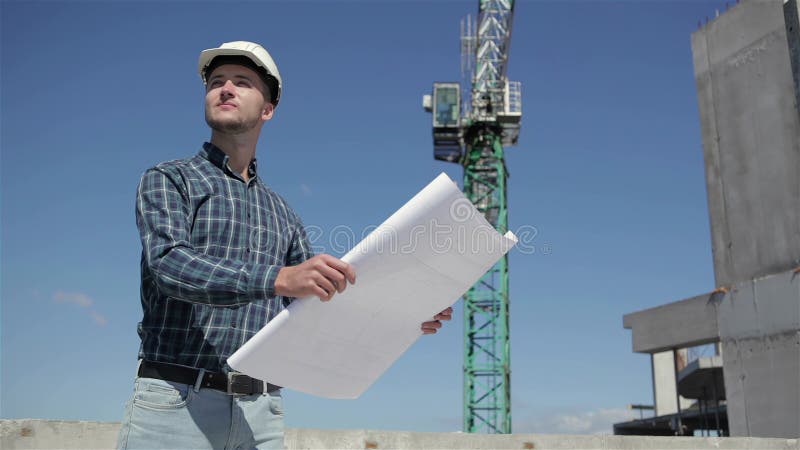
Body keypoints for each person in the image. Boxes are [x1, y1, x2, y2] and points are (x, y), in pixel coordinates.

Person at [116, 41, 453, 450]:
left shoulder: (283, 213)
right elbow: (170, 265)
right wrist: (279, 278)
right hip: (174, 402)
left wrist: (403, 313)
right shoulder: (170, 179)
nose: (225, 89)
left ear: (268, 109)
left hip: (261, 413)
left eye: (242, 82)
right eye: (216, 82)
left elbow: (314, 310)